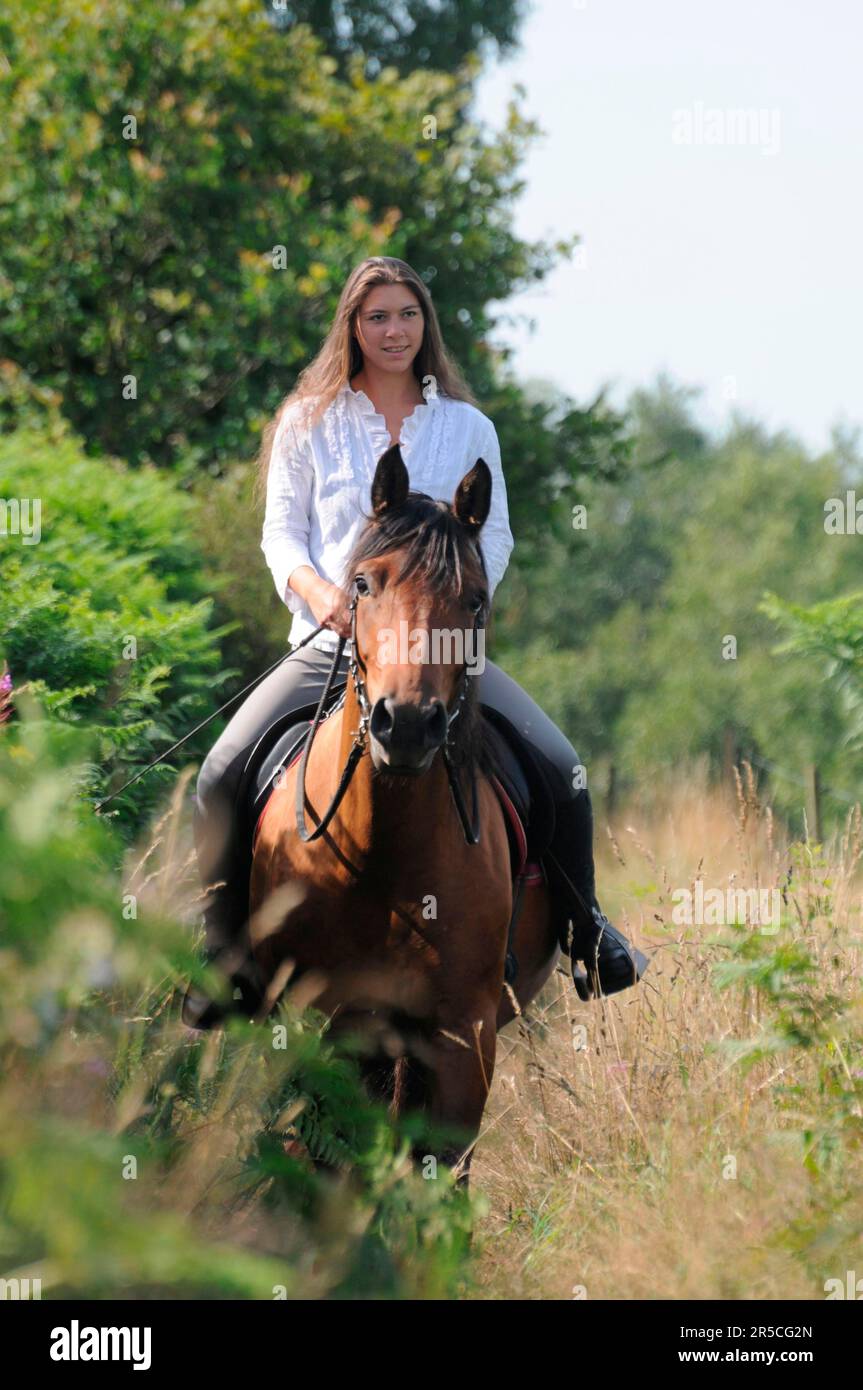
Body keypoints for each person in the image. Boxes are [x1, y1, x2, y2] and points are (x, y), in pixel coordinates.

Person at [184, 256, 647, 1027]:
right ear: (352, 328)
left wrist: (445, 621)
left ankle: (584, 933)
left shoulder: (469, 428)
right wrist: (326, 597)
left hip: (442, 655)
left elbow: (491, 539)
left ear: (424, 324)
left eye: (405, 315)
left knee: (561, 767)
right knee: (220, 770)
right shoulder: (306, 420)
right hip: (328, 641)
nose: (392, 330)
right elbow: (281, 538)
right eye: (376, 317)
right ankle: (221, 956)